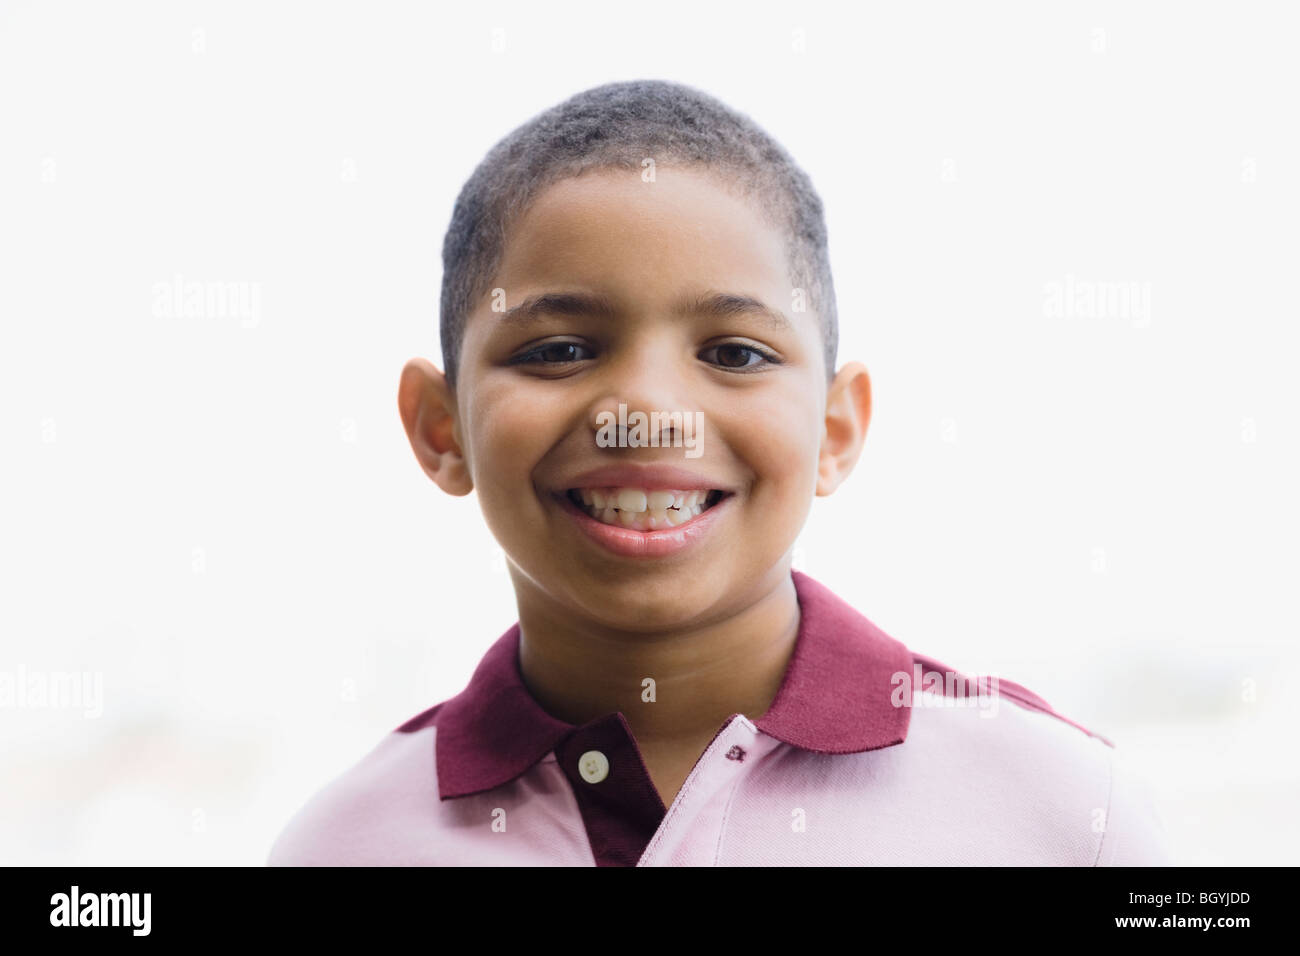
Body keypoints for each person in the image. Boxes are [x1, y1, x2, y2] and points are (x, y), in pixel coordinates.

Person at [267, 79, 1173, 866]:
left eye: (735, 353)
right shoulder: (341, 847)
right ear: (439, 429)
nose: (647, 411)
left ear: (835, 428)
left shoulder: (1065, 814)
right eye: (561, 348)